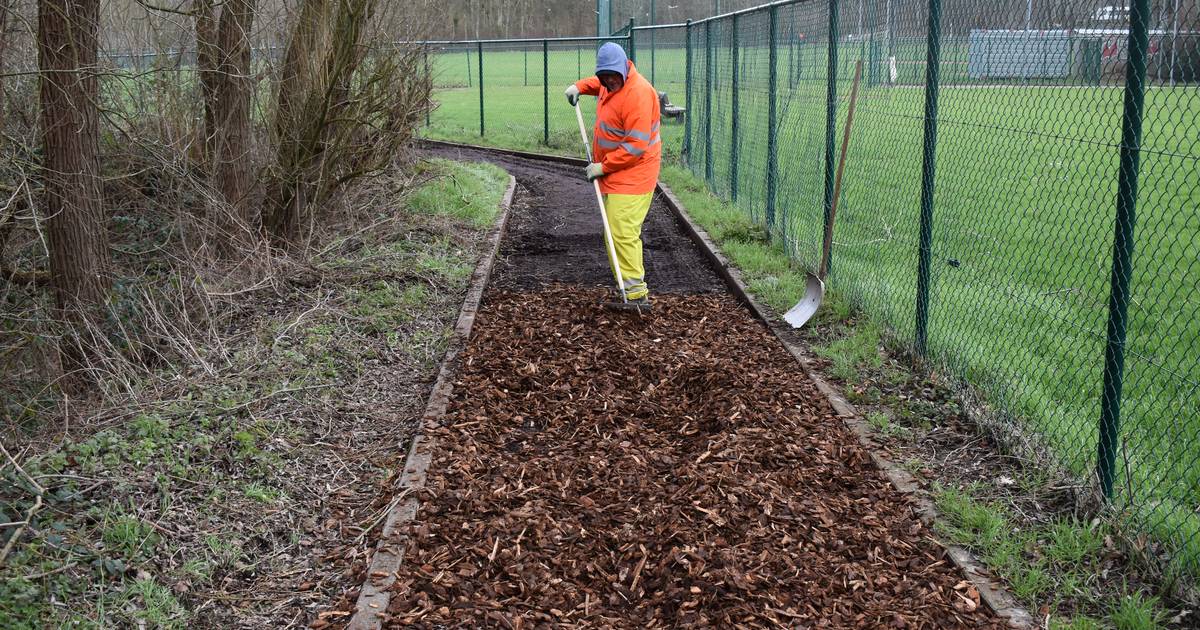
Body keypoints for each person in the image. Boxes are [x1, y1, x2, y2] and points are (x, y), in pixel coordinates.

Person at [564, 42, 661, 311]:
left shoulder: (638, 95)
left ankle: (636, 296)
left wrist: (603, 166)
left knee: (621, 230)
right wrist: (580, 87)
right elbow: (599, 85)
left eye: (612, 76)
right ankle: (626, 288)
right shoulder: (610, 83)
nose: (608, 81)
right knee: (612, 230)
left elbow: (635, 146)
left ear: (624, 70)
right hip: (617, 171)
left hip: (634, 172)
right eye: (603, 76)